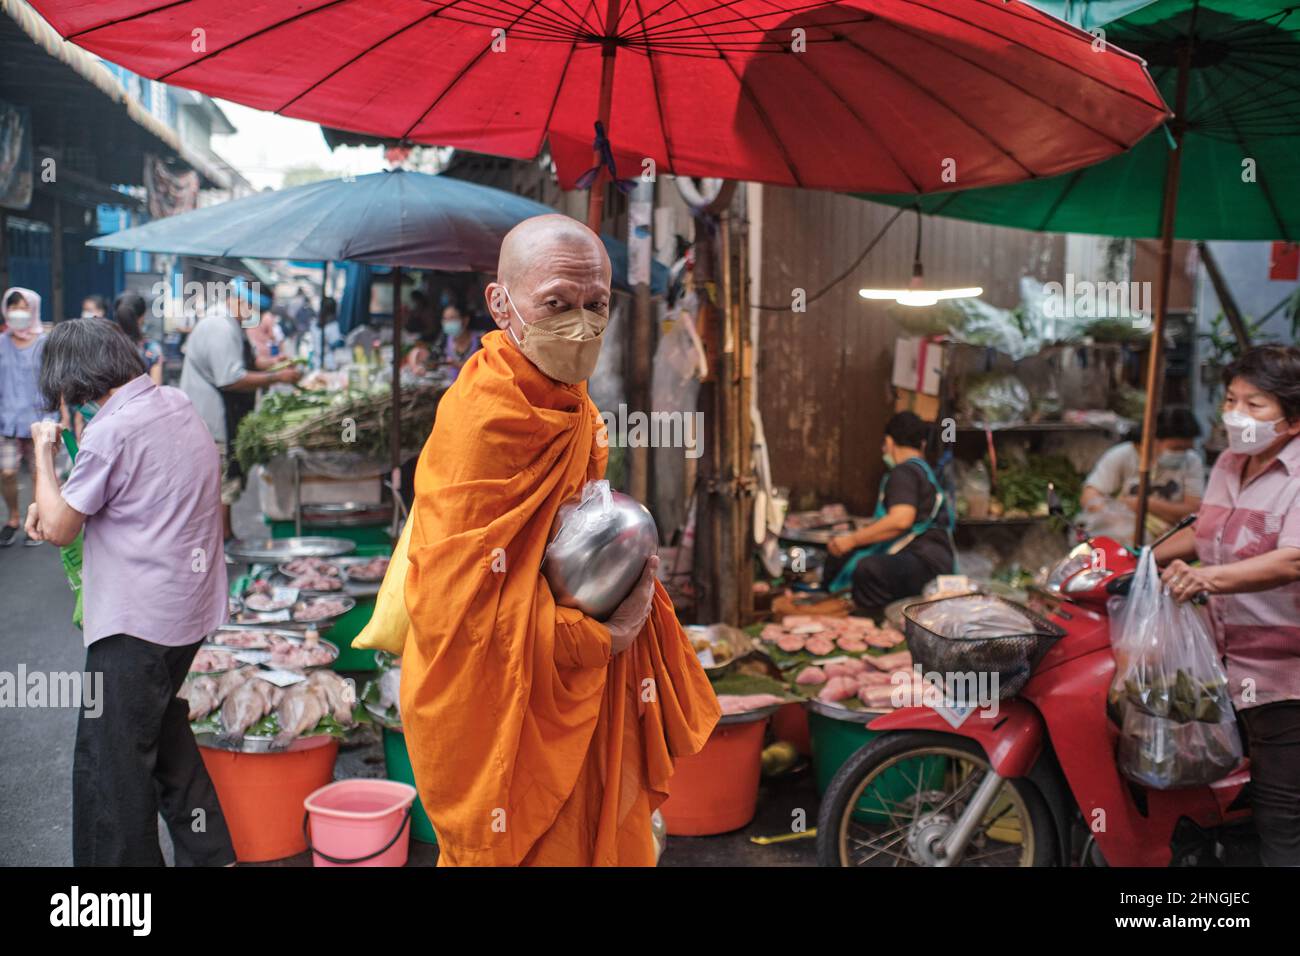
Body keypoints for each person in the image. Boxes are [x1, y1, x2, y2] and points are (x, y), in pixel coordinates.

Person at [401, 214, 719, 866]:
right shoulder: (482, 423)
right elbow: (458, 615)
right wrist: (603, 638)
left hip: (572, 690)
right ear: (500, 302)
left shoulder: (577, 407)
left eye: (595, 304)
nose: (580, 323)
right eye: (556, 304)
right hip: (506, 703)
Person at [26, 318, 235, 867]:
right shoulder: (174, 403)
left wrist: (42, 454)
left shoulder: (110, 430)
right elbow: (107, 496)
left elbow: (60, 528)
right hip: (186, 617)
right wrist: (54, 502)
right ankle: (213, 856)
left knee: (110, 776)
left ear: (77, 379)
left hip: (134, 628)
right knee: (166, 744)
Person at [1154, 346, 1300, 868]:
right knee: (1227, 805)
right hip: (1223, 665)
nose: (1236, 414)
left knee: (1281, 817)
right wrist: (1136, 561)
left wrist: (1206, 579)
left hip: (1285, 678)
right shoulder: (1229, 462)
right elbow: (1205, 530)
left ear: (1293, 416)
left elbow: (1291, 561)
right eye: (1231, 400)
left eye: (1255, 404)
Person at [180, 286, 300, 538]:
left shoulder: (228, 324)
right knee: (222, 481)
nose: (254, 316)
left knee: (224, 480)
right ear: (238, 301)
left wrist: (277, 364)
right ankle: (223, 539)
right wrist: (277, 377)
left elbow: (245, 362)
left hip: (220, 417)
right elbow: (230, 378)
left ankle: (225, 535)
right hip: (213, 419)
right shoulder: (219, 327)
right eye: (253, 309)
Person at [824, 411, 956, 617]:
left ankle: (873, 622)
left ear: (889, 441)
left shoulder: (904, 472)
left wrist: (851, 540)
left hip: (923, 562)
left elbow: (901, 520)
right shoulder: (924, 470)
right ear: (922, 445)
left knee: (868, 569)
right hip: (937, 560)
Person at [1081, 407, 1204, 545]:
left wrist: (1144, 503)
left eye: (1186, 449)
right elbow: (1090, 495)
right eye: (1176, 448)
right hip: (1123, 533)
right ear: (1153, 440)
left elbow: (1192, 509)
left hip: (1170, 535)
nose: (1181, 453)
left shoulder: (1192, 461)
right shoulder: (1122, 455)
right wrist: (1116, 518)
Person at [0, 287, 58, 547]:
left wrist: (59, 415)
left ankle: (37, 519)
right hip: (6, 419)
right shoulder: (1, 343)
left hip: (41, 417)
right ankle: (13, 518)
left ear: (33, 308)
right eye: (13, 307)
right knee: (7, 472)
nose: (17, 312)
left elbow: (56, 381)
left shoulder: (45, 343)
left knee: (40, 475)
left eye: (23, 306)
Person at [110, 291, 164, 385]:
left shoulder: (106, 346)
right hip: (144, 399)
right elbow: (156, 387)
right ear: (142, 317)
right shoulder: (152, 349)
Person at [437, 304, 482, 381]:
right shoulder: (443, 340)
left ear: (465, 320)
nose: (448, 323)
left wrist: (457, 364)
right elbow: (432, 359)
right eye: (445, 319)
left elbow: (483, 368)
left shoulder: (481, 340)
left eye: (452, 318)